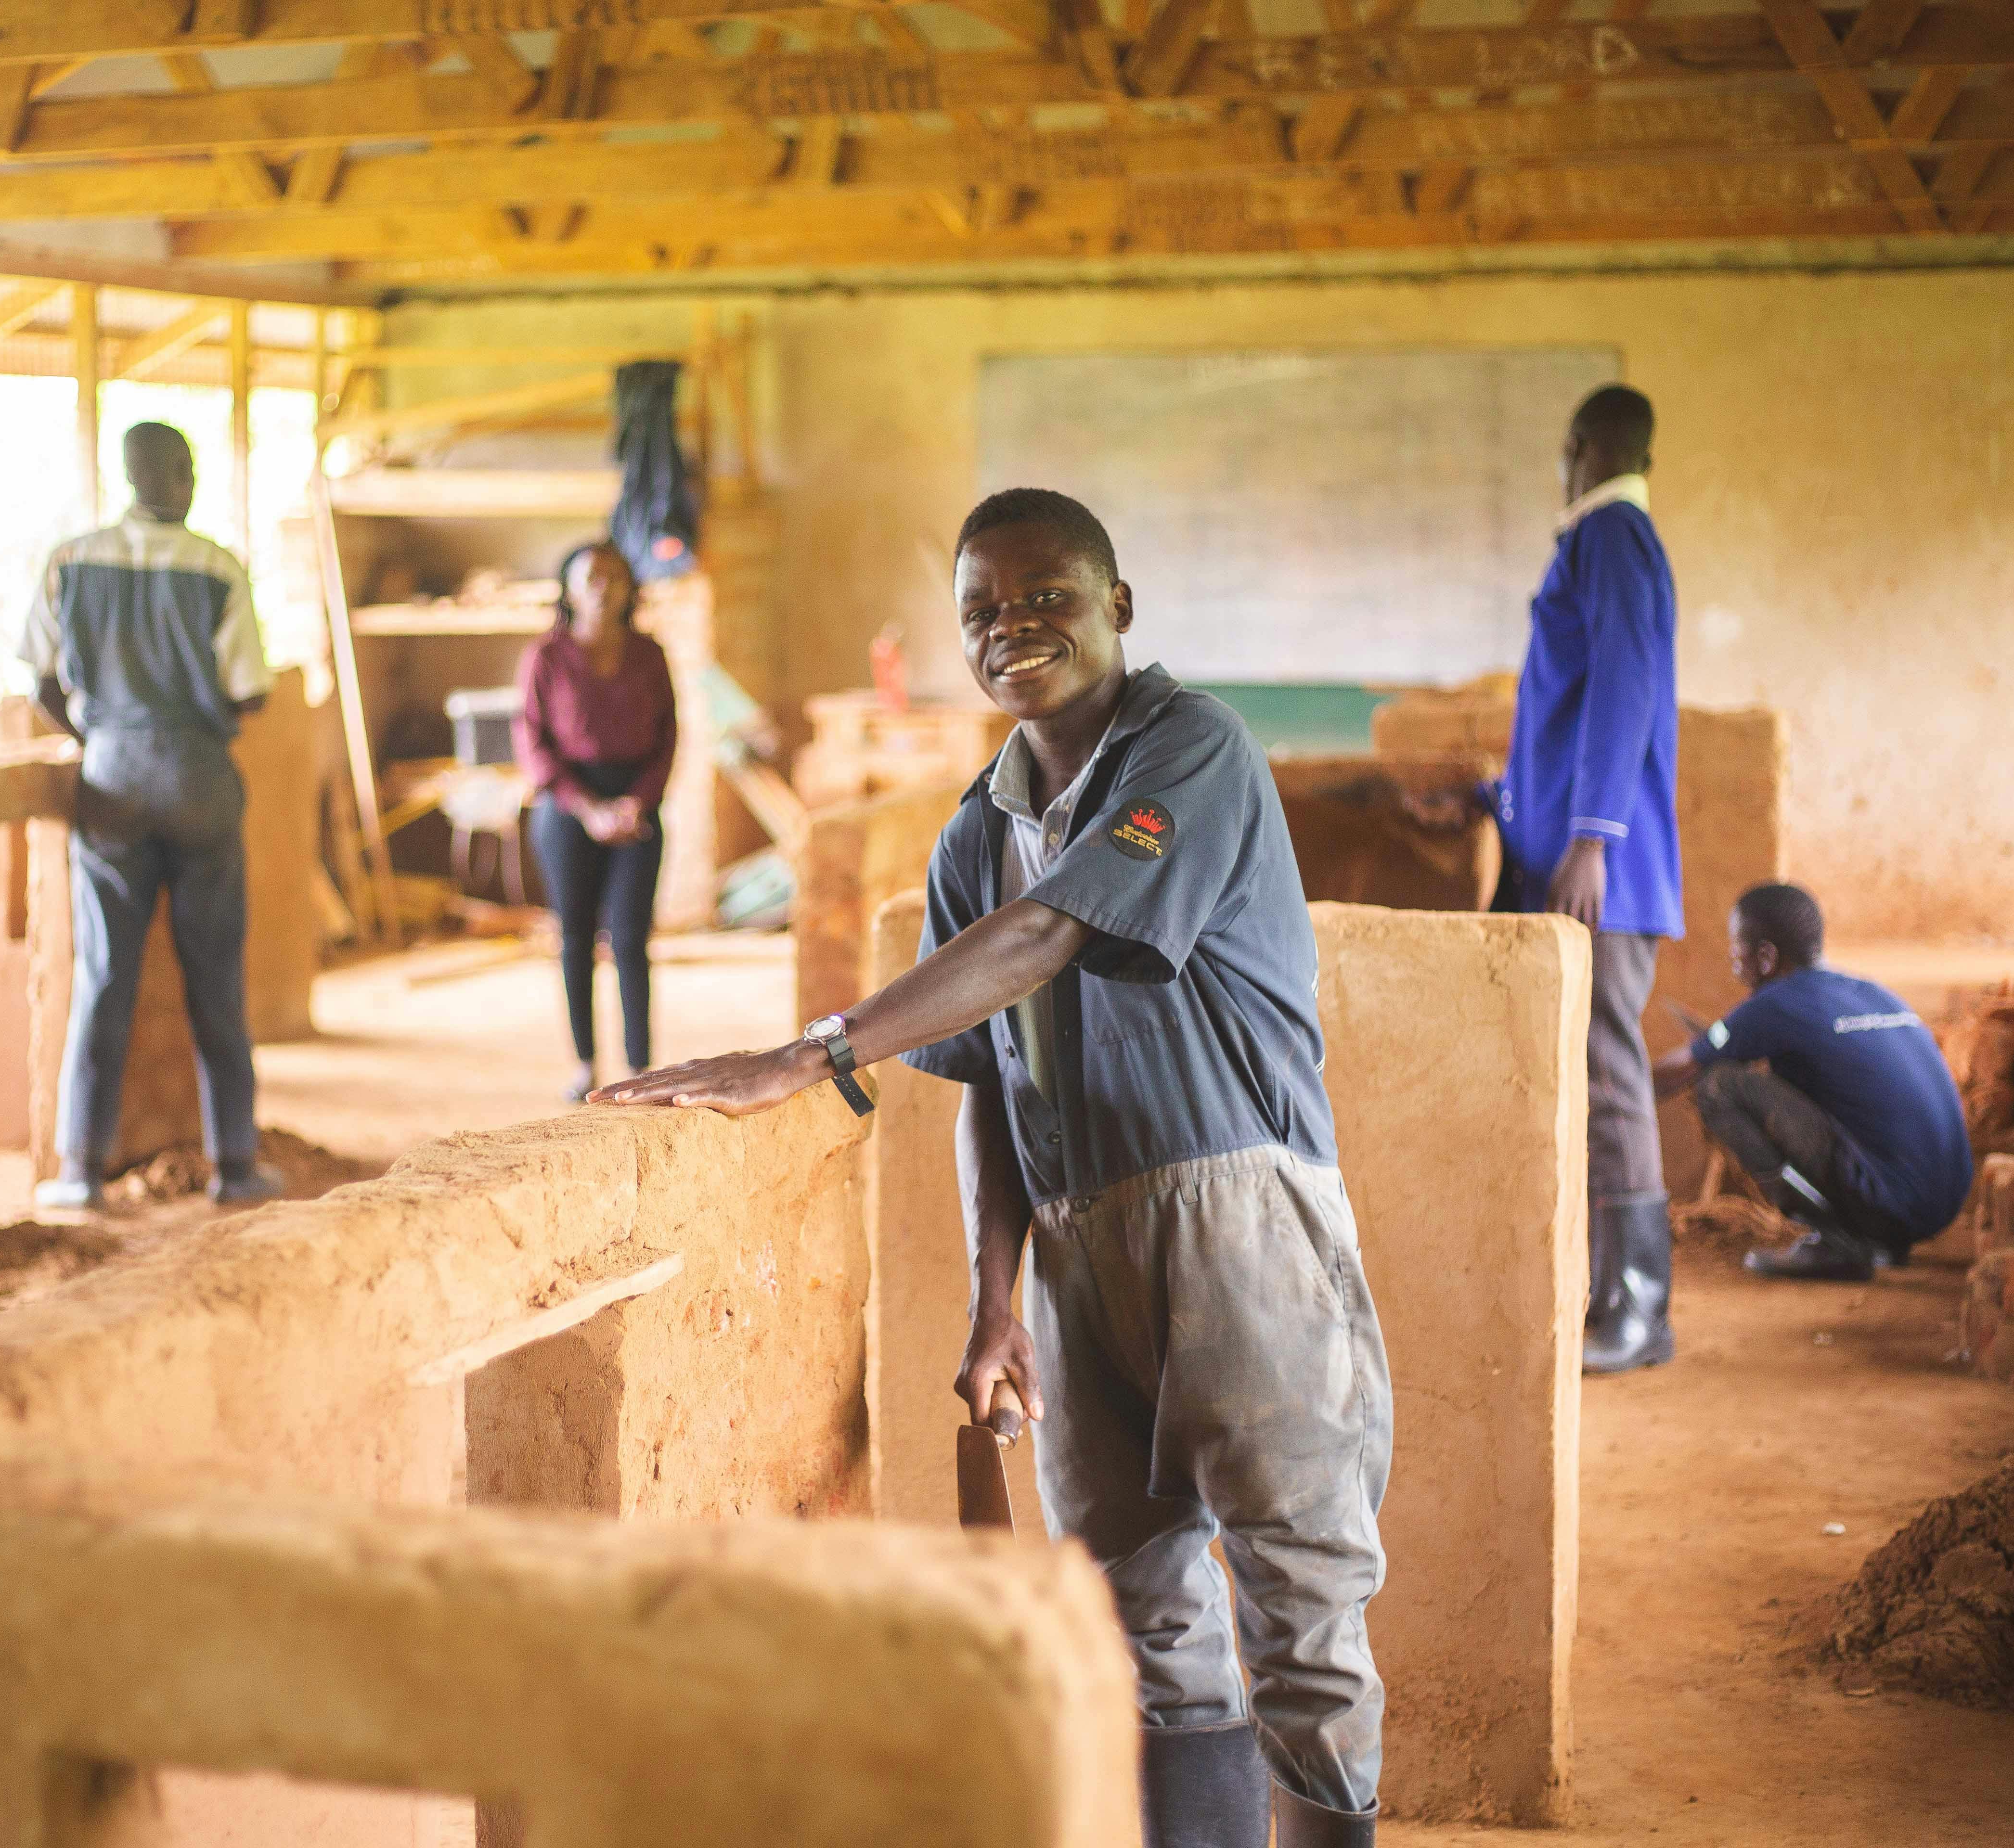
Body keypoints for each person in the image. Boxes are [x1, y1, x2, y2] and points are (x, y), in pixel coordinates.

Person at [592, 489, 1390, 1848]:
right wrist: (996, 1301)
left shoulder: (1188, 750)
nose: (1015, 630)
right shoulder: (976, 831)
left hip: (1238, 1219)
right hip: (1080, 1253)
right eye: (983, 612)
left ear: (1118, 608)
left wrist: (816, 1050)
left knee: (1298, 1599)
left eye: (1047, 599)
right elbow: (991, 1088)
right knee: (1134, 1608)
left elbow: (1046, 937)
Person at [20, 422, 281, 1211]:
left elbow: (38, 680)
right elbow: (252, 690)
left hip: (110, 776)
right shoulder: (217, 567)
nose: (192, 476)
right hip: (198, 776)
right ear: (167, 474)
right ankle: (234, 1166)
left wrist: (100, 734)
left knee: (102, 977)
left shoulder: (69, 560)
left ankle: (79, 1171)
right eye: (187, 465)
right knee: (216, 979)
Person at [1499, 383, 1683, 1375]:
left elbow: (1626, 687)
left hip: (1604, 871)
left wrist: (1592, 838)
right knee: (1594, 1068)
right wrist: (1501, 801)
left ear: (1580, 447)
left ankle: (1642, 1310)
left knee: (1611, 1072)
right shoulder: (1607, 542)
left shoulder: (1611, 535)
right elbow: (1565, 717)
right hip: (1583, 856)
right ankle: (1614, 1294)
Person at [1657, 884, 1973, 1282]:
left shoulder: (1776, 1004)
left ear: (1767, 957)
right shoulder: (1871, 992)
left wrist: (1598, 1093)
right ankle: (1875, 1237)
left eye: (1736, 945)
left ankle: (1837, 1242)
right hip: (1946, 1203)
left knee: (1719, 1087)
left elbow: (1677, 1071)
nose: (1731, 957)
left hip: (1894, 1204)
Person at [516, 540, 677, 1100]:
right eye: (590, 578)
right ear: (568, 589)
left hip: (637, 804)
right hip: (566, 807)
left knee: (632, 937)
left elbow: (667, 738)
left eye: (614, 577)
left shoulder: (650, 654)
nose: (603, 588)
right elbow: (533, 743)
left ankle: (640, 1067)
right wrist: (587, 809)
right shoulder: (547, 657)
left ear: (631, 588)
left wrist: (636, 803)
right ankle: (585, 1063)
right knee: (576, 937)